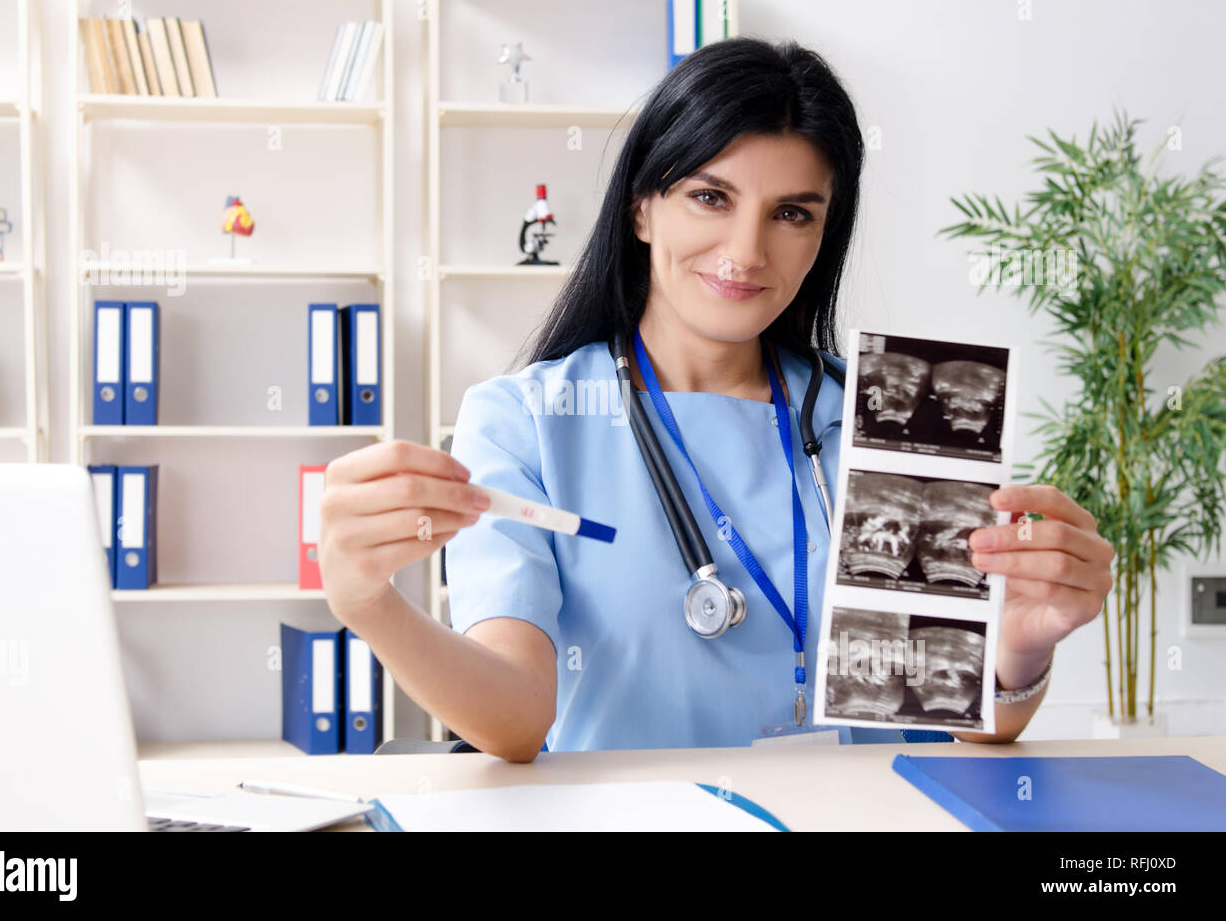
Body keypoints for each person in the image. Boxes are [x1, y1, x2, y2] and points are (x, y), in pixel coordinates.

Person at [318, 37, 1115, 762]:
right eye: (710, 197)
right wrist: (369, 602)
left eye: (792, 213)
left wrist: (1019, 648)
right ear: (641, 206)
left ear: (822, 236)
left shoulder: (899, 416)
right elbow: (518, 719)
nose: (745, 252)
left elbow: (959, 717)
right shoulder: (528, 420)